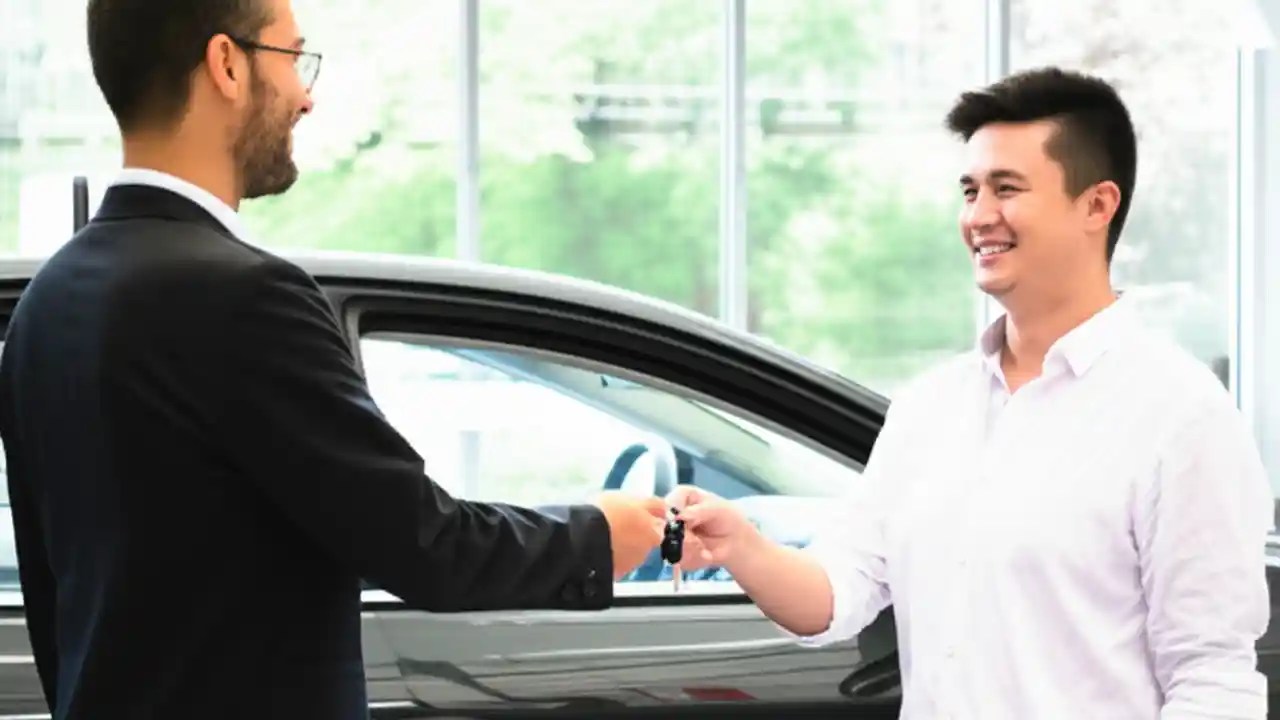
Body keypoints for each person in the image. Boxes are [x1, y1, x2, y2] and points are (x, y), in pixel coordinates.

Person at [0, 1, 668, 718]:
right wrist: (601, 535)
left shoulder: (49, 301)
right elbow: (425, 544)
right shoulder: (244, 296)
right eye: (294, 59)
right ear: (227, 64)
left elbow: (55, 610)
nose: (307, 96)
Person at [669, 67, 1275, 718]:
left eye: (1006, 189)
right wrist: (742, 546)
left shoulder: (1181, 415)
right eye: (970, 190)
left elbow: (1212, 680)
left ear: (1097, 205)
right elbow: (840, 592)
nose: (978, 217)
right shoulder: (931, 406)